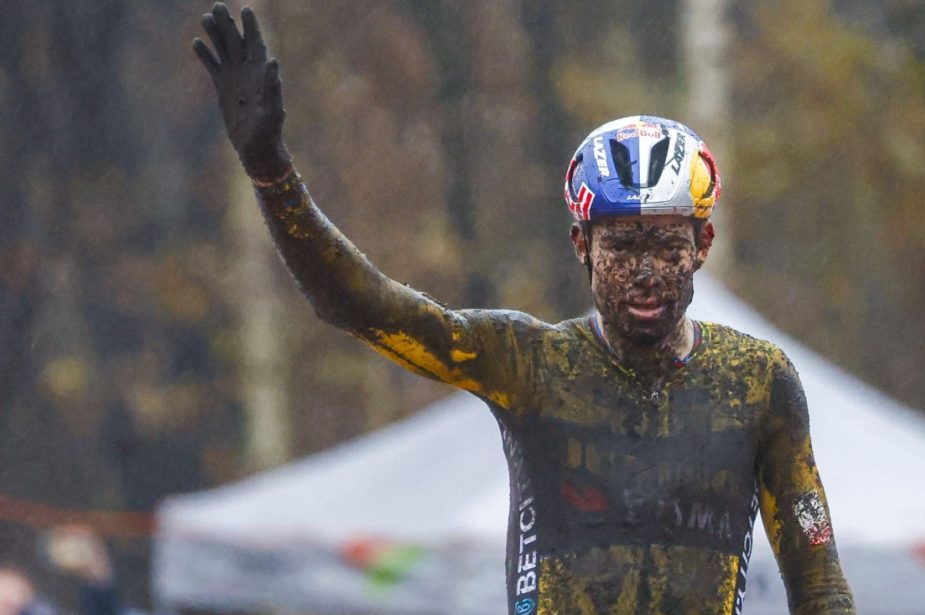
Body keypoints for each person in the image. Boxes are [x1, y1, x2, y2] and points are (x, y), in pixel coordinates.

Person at [192, 3, 855, 614]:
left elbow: (819, 579)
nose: (648, 270)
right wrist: (272, 173)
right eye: (623, 245)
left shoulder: (759, 380)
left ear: (703, 244)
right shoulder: (531, 363)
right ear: (581, 246)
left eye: (667, 244)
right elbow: (360, 305)